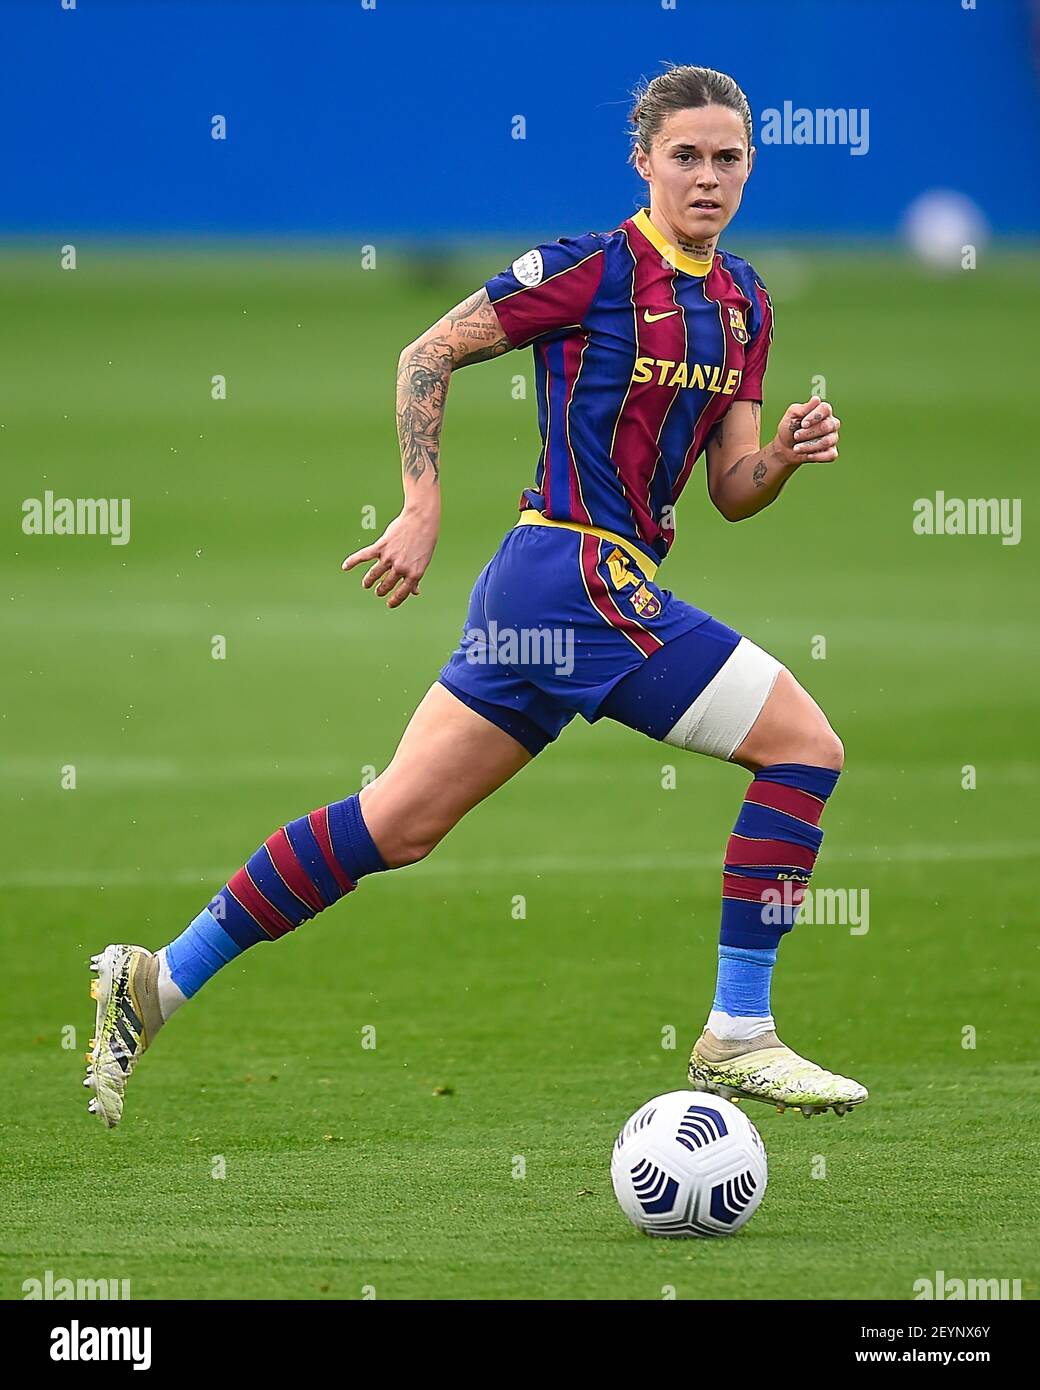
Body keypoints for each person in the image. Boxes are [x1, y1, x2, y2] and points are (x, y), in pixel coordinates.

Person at [85, 64, 866, 1130]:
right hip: (571, 577)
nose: (706, 177)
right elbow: (428, 351)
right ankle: (738, 1030)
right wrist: (418, 503)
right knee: (803, 747)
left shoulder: (743, 305)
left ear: (748, 169)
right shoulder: (587, 268)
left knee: (396, 824)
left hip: (553, 595)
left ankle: (156, 978)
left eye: (726, 158)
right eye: (683, 155)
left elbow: (731, 492)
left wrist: (775, 456)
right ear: (641, 162)